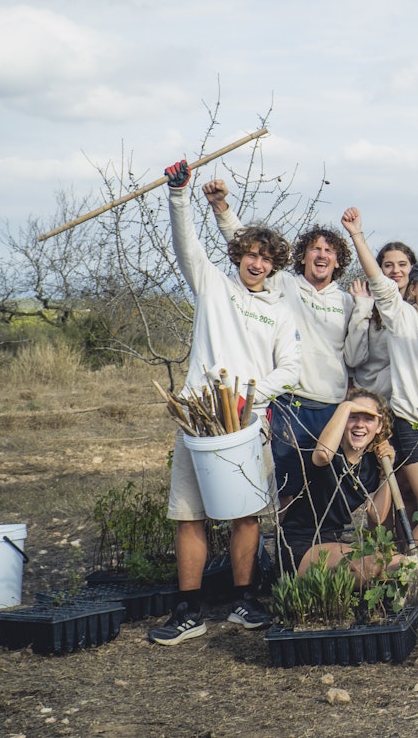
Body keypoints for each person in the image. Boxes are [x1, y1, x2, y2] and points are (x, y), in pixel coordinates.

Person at [150, 159, 302, 646]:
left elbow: (290, 369)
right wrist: (180, 193)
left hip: (246, 422)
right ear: (238, 256)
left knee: (245, 514)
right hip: (198, 420)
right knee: (189, 514)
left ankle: (244, 600)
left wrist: (250, 393)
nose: (257, 263)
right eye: (250, 255)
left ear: (274, 266)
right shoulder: (214, 287)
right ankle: (189, 610)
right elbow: (186, 244)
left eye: (266, 258)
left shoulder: (278, 313)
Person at [200, 181, 357, 506]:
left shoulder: (347, 302)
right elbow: (247, 244)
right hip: (290, 403)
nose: (322, 254)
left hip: (330, 405)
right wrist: (221, 209)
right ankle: (281, 554)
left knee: (325, 490)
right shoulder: (283, 284)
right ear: (303, 256)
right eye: (316, 248)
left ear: (338, 261)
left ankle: (316, 554)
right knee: (286, 489)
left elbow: (357, 353)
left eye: (330, 250)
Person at [341, 207, 418, 553]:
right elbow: (380, 284)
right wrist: (357, 235)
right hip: (409, 421)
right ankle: (399, 569)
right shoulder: (403, 316)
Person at [279, 389, 404, 583]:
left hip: (332, 542)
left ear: (379, 426)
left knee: (400, 563)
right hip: (298, 544)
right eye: (353, 416)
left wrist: (387, 472)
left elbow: (376, 515)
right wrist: (345, 406)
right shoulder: (327, 448)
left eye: (369, 418)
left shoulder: (370, 465)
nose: (360, 424)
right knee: (369, 566)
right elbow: (322, 456)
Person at [344, 239, 418, 402]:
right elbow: (353, 358)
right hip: (368, 395)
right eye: (388, 265)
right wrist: (362, 308)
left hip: (406, 401)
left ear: (412, 267)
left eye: (402, 264)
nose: (396, 270)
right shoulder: (365, 304)